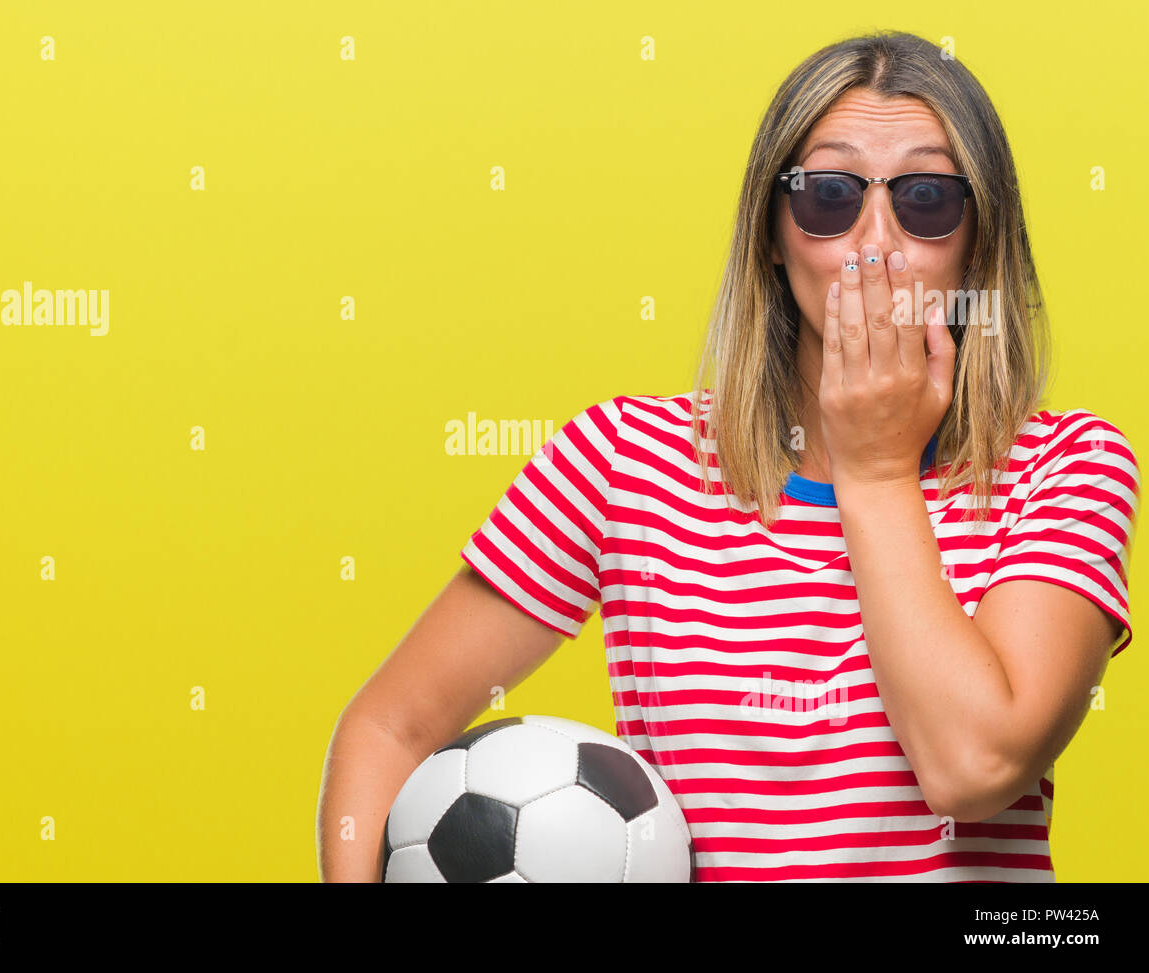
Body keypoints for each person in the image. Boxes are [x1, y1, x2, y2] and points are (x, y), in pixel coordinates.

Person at [317, 30, 1138, 882]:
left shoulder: (1065, 467)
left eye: (927, 198)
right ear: (774, 238)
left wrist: (878, 469)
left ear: (978, 243)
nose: (876, 241)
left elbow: (974, 767)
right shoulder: (625, 459)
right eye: (828, 194)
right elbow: (391, 727)